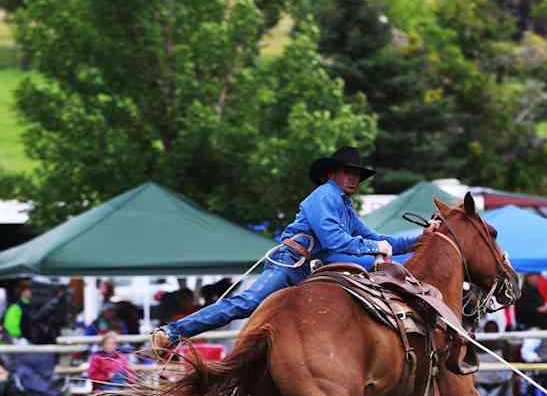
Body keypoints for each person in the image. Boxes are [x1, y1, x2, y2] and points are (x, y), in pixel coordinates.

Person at [152, 147, 423, 348]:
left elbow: (381, 238)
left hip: (306, 268)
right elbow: (336, 242)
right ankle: (172, 333)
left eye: (357, 175)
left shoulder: (344, 206)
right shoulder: (324, 196)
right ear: (332, 174)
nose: (354, 179)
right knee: (246, 304)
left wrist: (422, 237)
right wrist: (377, 246)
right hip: (290, 262)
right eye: (347, 173)